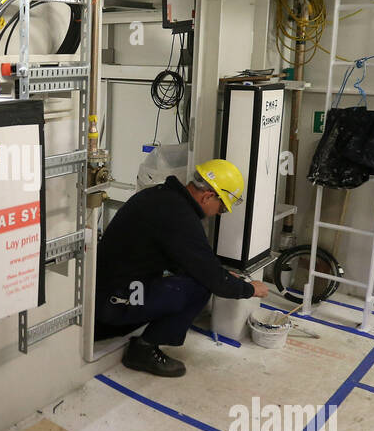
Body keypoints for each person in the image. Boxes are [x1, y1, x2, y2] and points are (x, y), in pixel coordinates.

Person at [94, 158, 268, 377]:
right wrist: (250, 289)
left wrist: (218, 274)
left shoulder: (161, 197)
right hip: (110, 305)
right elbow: (213, 280)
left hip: (109, 292)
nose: (217, 213)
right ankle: (143, 350)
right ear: (208, 196)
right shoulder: (180, 217)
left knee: (197, 278)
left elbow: (186, 259)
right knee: (200, 287)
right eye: (221, 207)